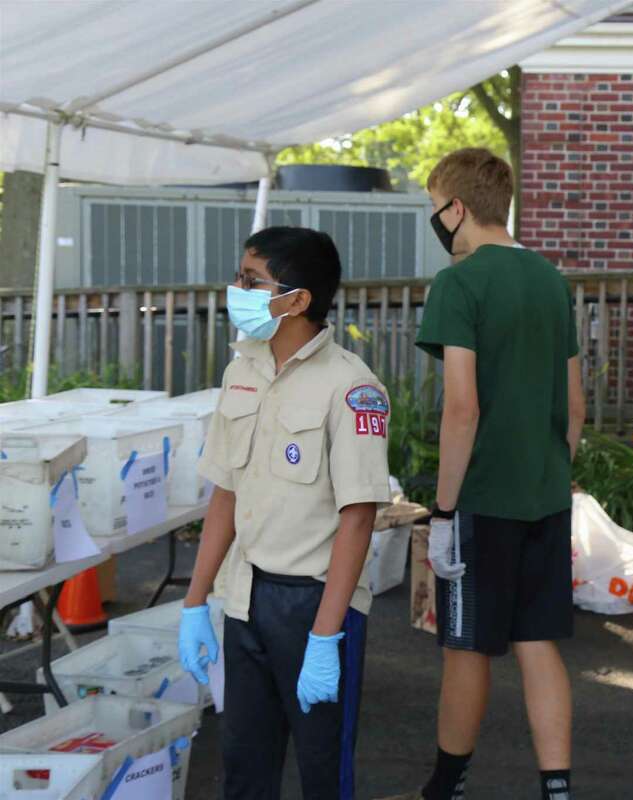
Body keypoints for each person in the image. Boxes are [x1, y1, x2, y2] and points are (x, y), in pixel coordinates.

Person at [384, 148, 586, 800]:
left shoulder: (459, 283)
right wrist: (551, 471)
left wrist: (444, 512)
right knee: (538, 643)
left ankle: (444, 789)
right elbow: (575, 408)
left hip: (482, 500)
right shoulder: (549, 279)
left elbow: (462, 409)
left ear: (456, 208)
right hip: (546, 495)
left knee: (466, 649)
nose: (434, 220)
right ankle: (557, 790)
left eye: (433, 208)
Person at [178, 227, 391, 800]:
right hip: (246, 595)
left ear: (297, 300)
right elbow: (226, 492)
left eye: (252, 282)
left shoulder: (352, 387)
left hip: (316, 603)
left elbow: (358, 517)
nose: (236, 290)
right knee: (244, 765)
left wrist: (325, 635)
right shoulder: (241, 371)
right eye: (239, 277)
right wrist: (195, 602)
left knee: (323, 770)